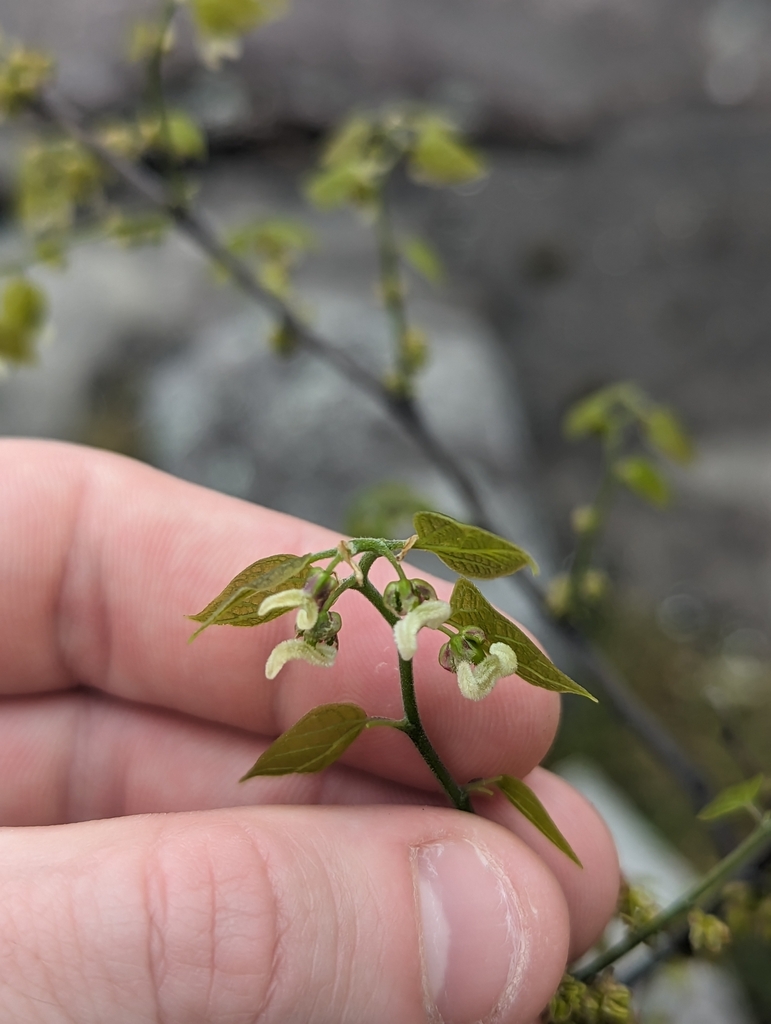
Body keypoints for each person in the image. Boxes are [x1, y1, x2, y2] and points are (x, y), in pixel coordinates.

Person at [0, 439, 619, 1024]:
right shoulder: (353, 601)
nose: (313, 629)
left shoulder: (425, 622)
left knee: (492, 784)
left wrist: (451, 635)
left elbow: (432, 637)